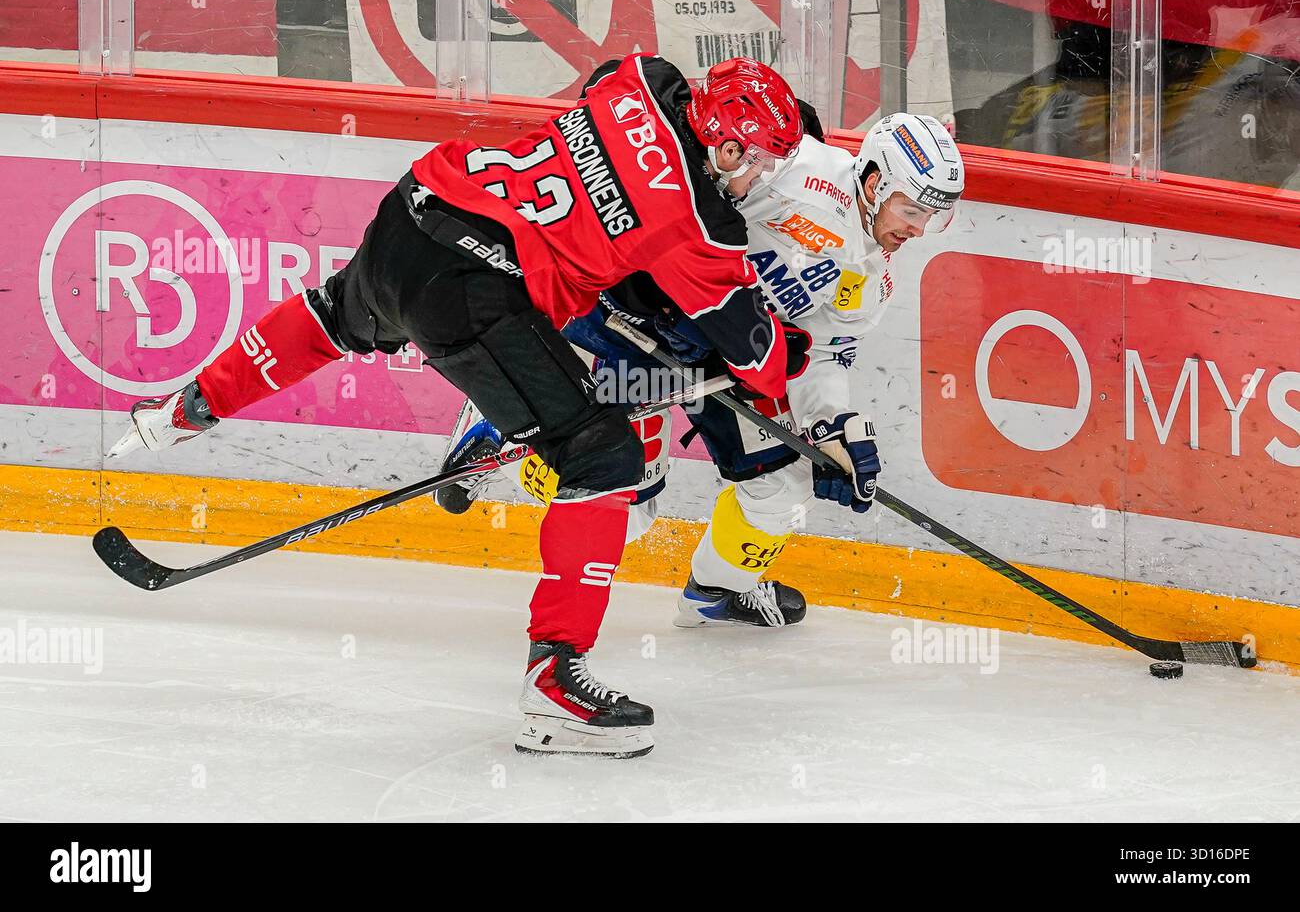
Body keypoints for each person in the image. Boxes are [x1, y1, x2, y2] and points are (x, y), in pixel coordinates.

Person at [107, 53, 805, 759]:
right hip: (472, 287)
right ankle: (554, 689)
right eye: (761, 163)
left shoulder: (644, 77)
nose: (760, 180)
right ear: (726, 144)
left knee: (336, 315)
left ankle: (187, 408)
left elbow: (600, 94)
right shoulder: (702, 223)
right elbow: (756, 354)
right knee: (604, 457)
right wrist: (796, 349)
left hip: (420, 207)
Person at [438, 113, 964, 630]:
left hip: (734, 357)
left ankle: (716, 590)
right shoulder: (792, 169)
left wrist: (829, 424)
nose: (916, 230)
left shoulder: (873, 283)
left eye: (930, 217)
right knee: (624, 514)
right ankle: (507, 444)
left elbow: (823, 353)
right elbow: (689, 179)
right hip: (643, 327)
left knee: (787, 485)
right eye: (911, 209)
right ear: (874, 181)